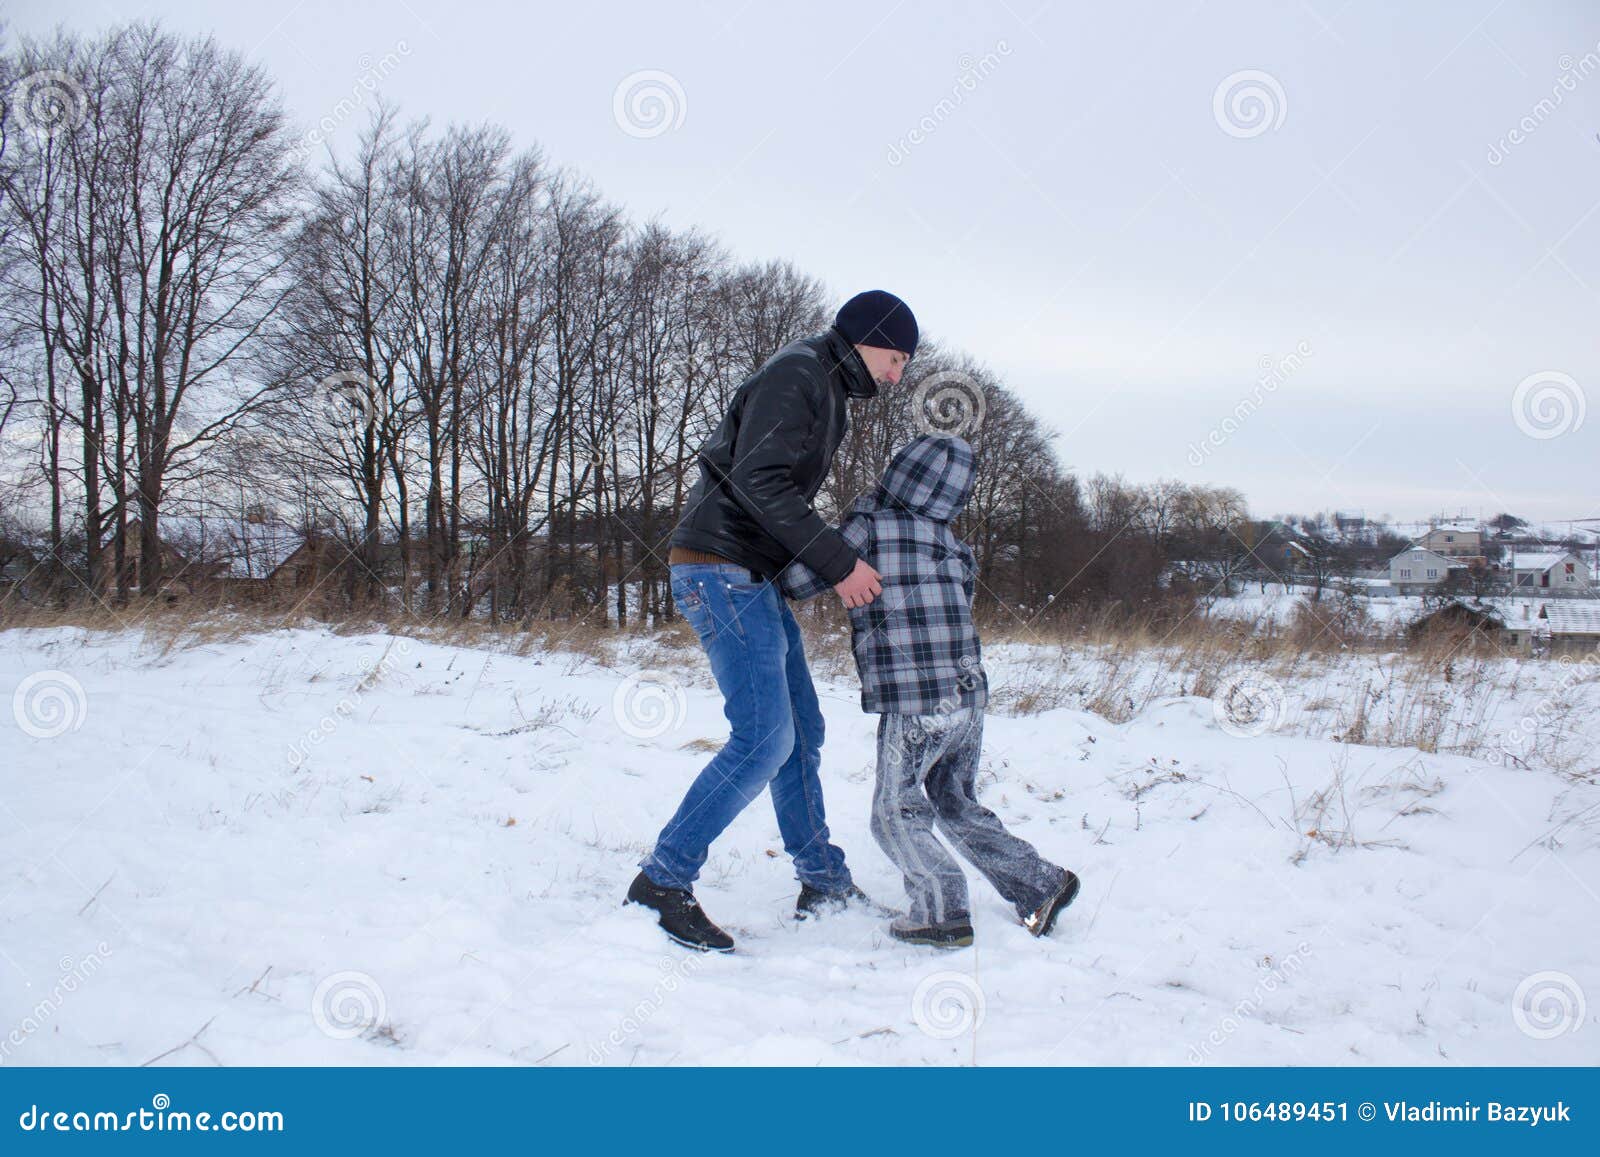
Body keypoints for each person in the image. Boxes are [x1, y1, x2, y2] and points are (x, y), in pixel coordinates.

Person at [625, 290, 919, 952]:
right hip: (719, 569)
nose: (898, 376)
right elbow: (760, 481)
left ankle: (823, 881)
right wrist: (840, 563)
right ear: (867, 339)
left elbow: (768, 488)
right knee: (763, 738)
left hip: (747, 574)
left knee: (801, 730)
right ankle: (662, 880)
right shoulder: (803, 373)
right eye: (896, 358)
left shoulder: (826, 384)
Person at [779, 434, 1080, 947]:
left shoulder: (869, 526)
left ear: (898, 473)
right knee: (955, 801)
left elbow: (800, 581)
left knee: (894, 811)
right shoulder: (952, 542)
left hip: (915, 700)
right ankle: (1039, 883)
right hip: (966, 696)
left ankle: (940, 910)